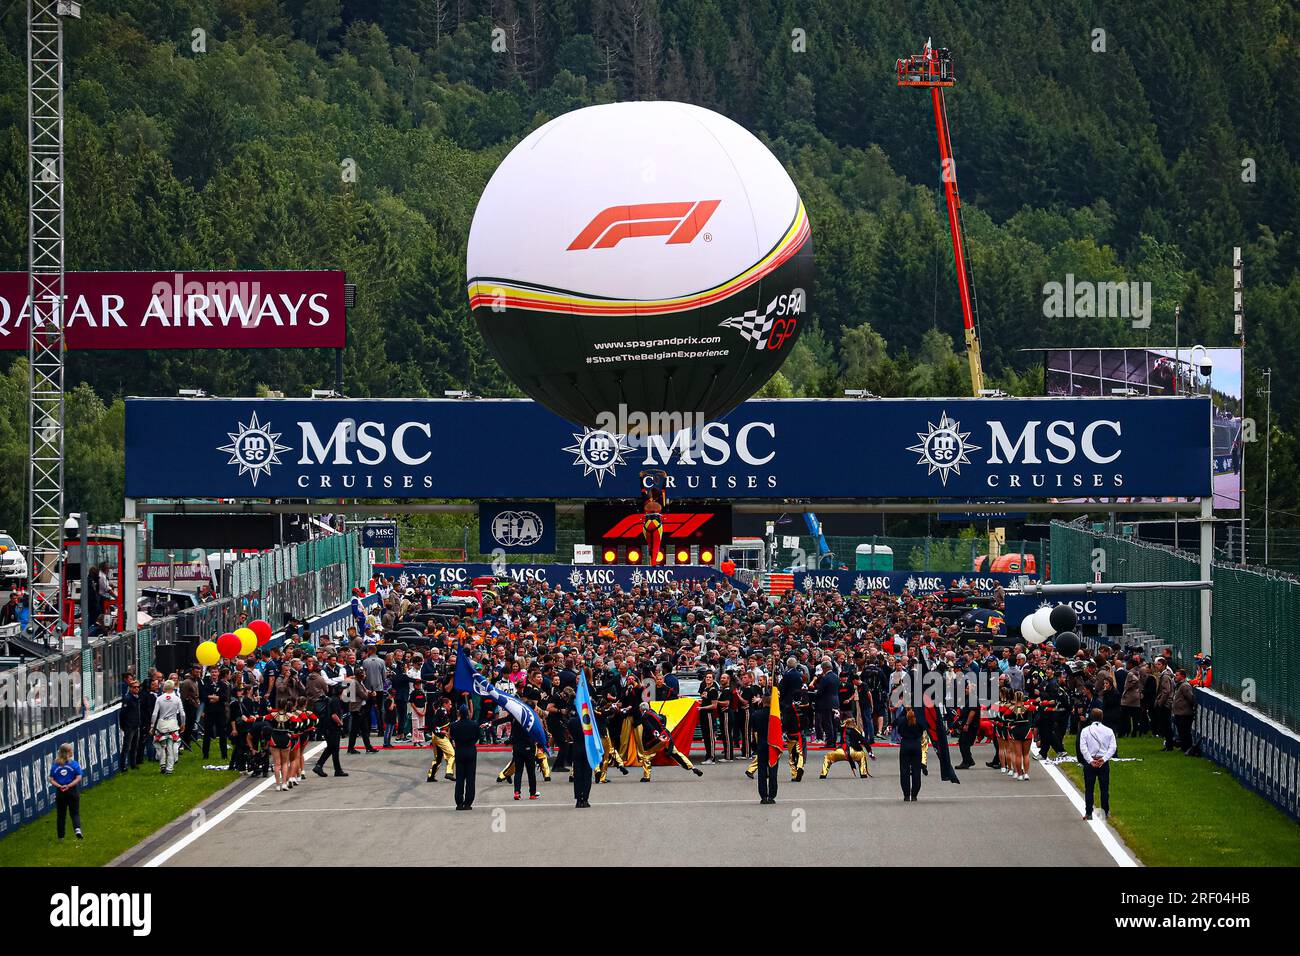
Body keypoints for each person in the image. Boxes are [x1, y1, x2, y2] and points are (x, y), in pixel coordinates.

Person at [1078, 707, 1117, 820]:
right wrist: (1104, 759)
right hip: (1103, 763)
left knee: (1089, 789)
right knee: (1104, 788)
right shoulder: (1109, 731)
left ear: (1091, 717)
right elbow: (1113, 747)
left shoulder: (1085, 730)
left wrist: (1090, 760)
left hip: (1090, 763)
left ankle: (1088, 813)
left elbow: (1083, 748)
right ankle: (1105, 811)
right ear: (1102, 718)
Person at [313, 684, 348, 778]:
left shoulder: (333, 699)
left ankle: (337, 769)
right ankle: (319, 765)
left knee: (334, 748)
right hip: (332, 728)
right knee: (332, 747)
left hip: (328, 727)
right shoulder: (336, 701)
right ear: (341, 691)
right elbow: (334, 715)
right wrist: (341, 724)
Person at [49, 743, 83, 840]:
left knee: (61, 815)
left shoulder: (55, 766)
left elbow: (51, 779)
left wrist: (60, 786)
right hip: (72, 791)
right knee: (75, 812)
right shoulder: (74, 764)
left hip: (61, 792)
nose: (73, 751)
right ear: (68, 752)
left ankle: (61, 837)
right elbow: (78, 777)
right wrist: (69, 785)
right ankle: (77, 829)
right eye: (71, 750)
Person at [151, 679, 186, 774]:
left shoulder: (159, 698)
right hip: (173, 725)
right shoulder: (177, 699)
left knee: (161, 745)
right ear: (173, 687)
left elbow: (154, 714)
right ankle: (169, 768)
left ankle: (162, 764)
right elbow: (182, 714)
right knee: (172, 743)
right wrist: (183, 723)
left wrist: (152, 725)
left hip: (161, 724)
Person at [450, 704, 479, 809]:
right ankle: (468, 803)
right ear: (468, 713)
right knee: (470, 779)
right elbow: (477, 737)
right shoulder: (474, 725)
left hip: (460, 751)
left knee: (460, 778)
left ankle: (459, 802)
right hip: (471, 750)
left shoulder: (454, 725)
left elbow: (452, 737)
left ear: (459, 714)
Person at [896, 706, 924, 802]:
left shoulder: (902, 720)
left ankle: (906, 794)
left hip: (905, 744)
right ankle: (915, 794)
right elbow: (922, 730)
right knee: (916, 770)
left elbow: (899, 731)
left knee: (904, 771)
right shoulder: (919, 720)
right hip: (916, 744)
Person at [1171, 668, 1200, 756]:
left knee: (1185, 732)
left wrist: (1188, 708)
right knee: (1181, 731)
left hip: (1185, 713)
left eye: (1177, 675)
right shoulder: (1179, 685)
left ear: (1183, 676)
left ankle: (1188, 748)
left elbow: (1191, 698)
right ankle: (1184, 747)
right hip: (1179, 713)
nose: (1175, 676)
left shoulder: (1185, 686)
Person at [568, 707, 593, 809]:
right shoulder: (589, 720)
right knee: (587, 775)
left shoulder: (572, 721)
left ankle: (578, 800)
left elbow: (569, 732)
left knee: (577, 775)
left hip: (576, 747)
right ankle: (585, 799)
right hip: (587, 749)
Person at [118, 678, 142, 772]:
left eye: (138, 687)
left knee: (134, 746)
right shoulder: (128, 698)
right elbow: (122, 713)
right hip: (129, 726)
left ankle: (133, 764)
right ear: (130, 688)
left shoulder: (137, 697)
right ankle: (123, 766)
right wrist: (123, 725)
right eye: (134, 687)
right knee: (126, 747)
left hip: (136, 725)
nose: (137, 689)